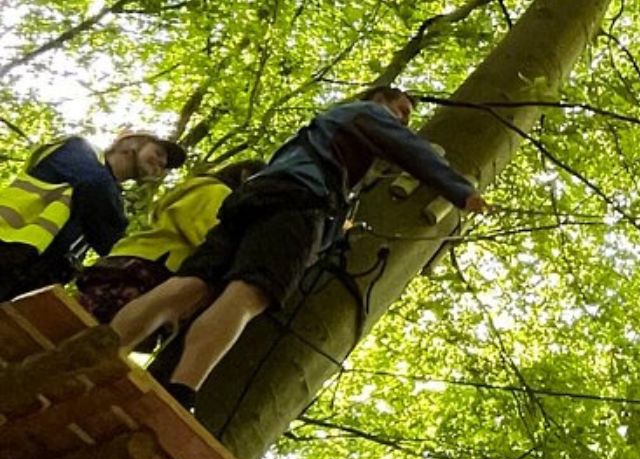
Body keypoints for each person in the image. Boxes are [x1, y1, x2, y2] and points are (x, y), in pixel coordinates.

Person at [109, 86, 489, 410]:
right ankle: (180, 391)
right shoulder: (367, 115)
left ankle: (106, 349)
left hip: (253, 199)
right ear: (379, 100)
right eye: (400, 110)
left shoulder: (324, 132)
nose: (403, 120)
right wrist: (462, 191)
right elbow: (410, 149)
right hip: (300, 205)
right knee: (249, 293)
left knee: (194, 283)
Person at [73, 158, 265, 323]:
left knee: (82, 317)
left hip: (133, 255)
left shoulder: (196, 187)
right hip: (150, 264)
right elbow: (199, 231)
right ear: (246, 176)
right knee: (93, 325)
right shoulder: (218, 192)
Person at [0, 131, 186, 301]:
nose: (160, 164)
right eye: (158, 153)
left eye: (164, 166)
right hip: (8, 241)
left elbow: (108, 241)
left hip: (38, 273)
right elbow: (93, 185)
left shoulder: (113, 201)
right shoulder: (79, 149)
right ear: (131, 142)